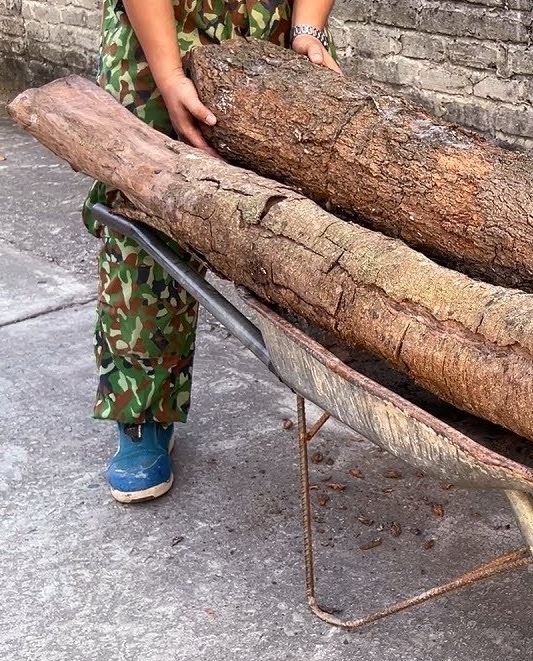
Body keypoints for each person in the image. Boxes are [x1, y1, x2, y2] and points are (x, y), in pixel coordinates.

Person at [83, 0, 340, 503]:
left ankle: (330, 372)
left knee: (289, 215)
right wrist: (169, 70)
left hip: (268, 37)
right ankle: (142, 411)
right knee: (148, 220)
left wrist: (309, 29)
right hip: (160, 31)